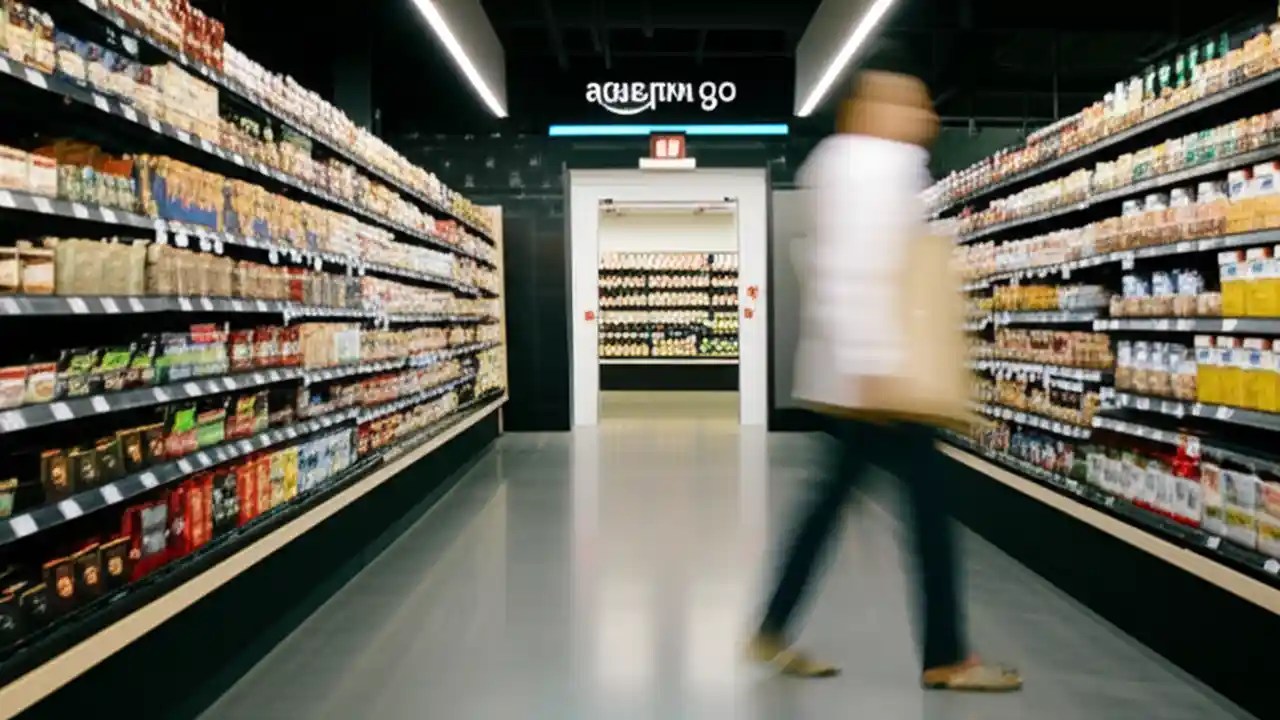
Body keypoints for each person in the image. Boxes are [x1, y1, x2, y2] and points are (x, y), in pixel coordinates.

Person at [746, 71, 1022, 692]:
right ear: (877, 107)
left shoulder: (834, 162)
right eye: (914, 101)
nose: (925, 114)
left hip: (859, 376)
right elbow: (857, 269)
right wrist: (876, 363)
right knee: (925, 507)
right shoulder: (879, 165)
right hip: (880, 380)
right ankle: (946, 655)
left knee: (831, 506)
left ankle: (771, 626)